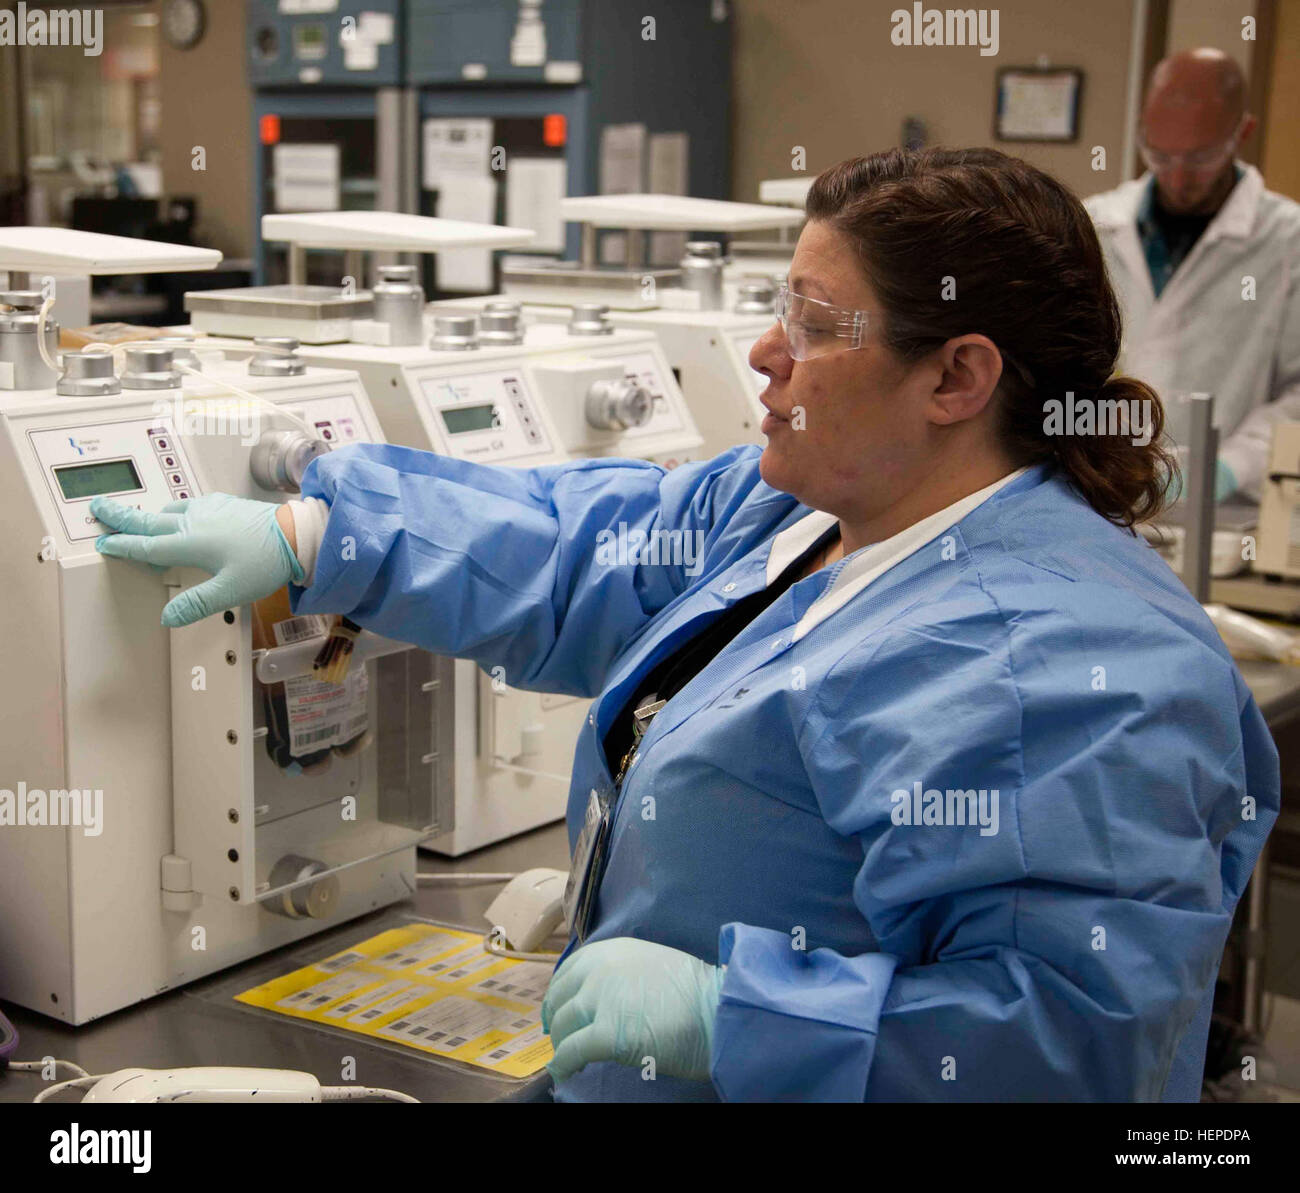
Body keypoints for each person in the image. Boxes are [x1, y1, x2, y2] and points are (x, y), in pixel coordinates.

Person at [91, 148, 1278, 1102]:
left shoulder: (1057, 670)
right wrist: (319, 536)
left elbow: (1078, 1046)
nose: (765, 354)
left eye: (812, 324)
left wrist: (737, 1016)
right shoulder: (809, 508)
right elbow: (580, 548)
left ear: (955, 378)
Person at [1086, 47, 1300, 503]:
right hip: (1100, 495)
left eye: (1200, 159)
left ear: (1242, 132)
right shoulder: (1095, 225)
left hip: (1230, 509)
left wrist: (1227, 468)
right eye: (1159, 156)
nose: (1177, 179)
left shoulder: (1289, 241)